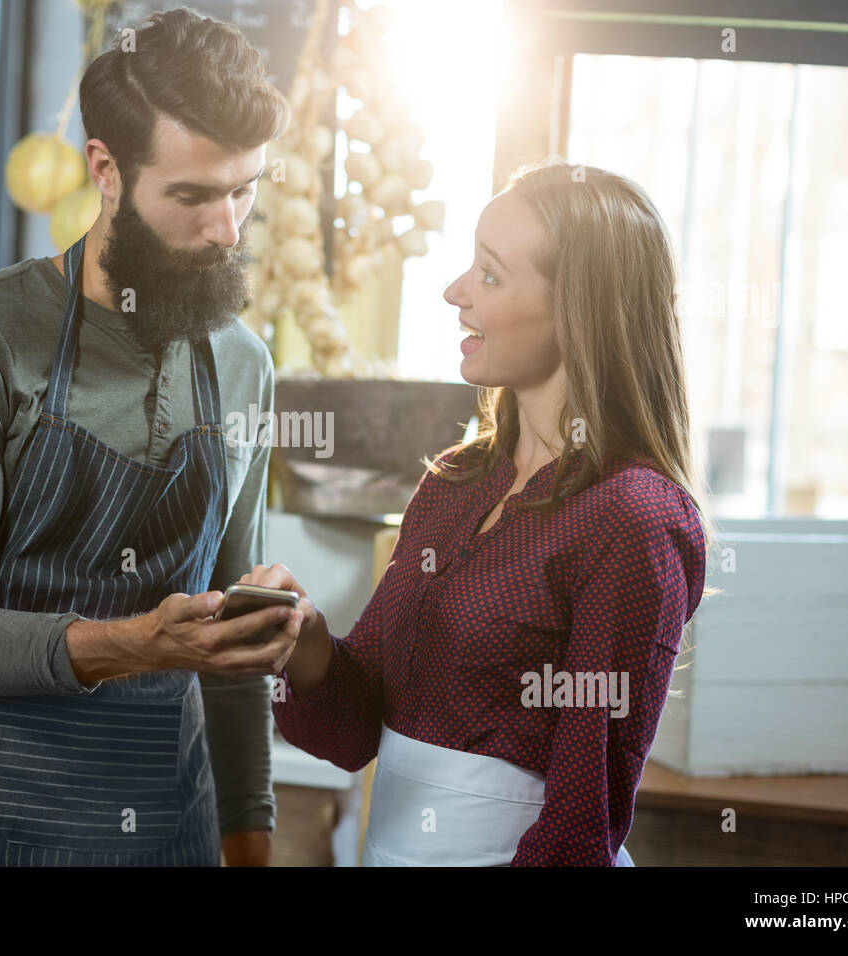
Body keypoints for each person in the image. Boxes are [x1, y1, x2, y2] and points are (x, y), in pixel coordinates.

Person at [0, 8, 300, 867]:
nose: (226, 229)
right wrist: (140, 643)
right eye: (190, 195)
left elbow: (232, 659)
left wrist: (249, 843)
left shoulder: (244, 366)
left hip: (170, 832)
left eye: (244, 189)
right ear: (105, 170)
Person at [241, 159, 717, 866]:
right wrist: (304, 641)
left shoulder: (633, 519)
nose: (455, 292)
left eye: (490, 276)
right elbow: (351, 733)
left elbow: (581, 826)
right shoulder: (455, 481)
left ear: (579, 309)